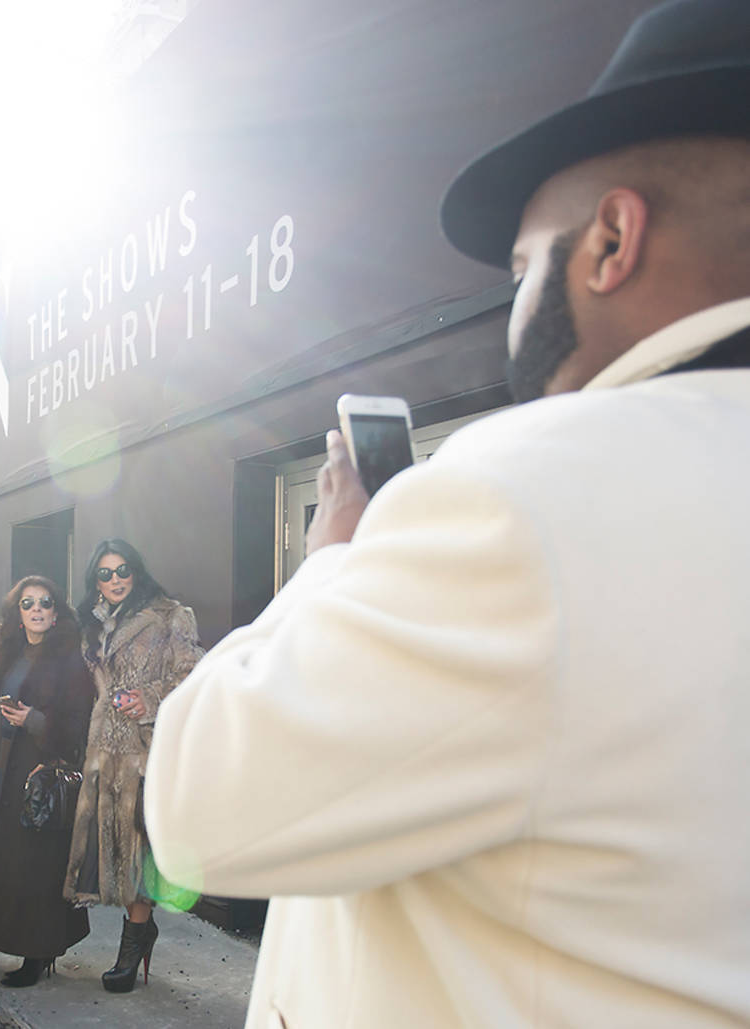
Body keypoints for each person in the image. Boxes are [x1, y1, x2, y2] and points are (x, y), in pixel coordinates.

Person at [146, 3, 750, 1026]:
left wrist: (332, 558)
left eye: (521, 270)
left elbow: (198, 815)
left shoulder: (520, 493)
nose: (516, 306)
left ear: (611, 240)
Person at [62, 539, 202, 993]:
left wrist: (151, 698)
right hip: (106, 748)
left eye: (123, 570)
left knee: (140, 847)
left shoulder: (170, 615)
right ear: (94, 581)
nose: (116, 579)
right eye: (105, 573)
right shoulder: (93, 623)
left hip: (148, 746)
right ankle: (141, 933)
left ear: (136, 571)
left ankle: (133, 941)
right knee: (116, 847)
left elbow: (192, 674)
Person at [0, 576, 92, 987]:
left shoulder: (69, 658)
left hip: (43, 770)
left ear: (56, 611)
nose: (37, 609)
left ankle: (39, 952)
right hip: (8, 768)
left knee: (39, 864)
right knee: (10, 861)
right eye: (28, 603)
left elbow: (80, 721)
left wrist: (36, 721)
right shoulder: (11, 653)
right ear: (19, 612)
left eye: (45, 602)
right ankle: (11, 941)